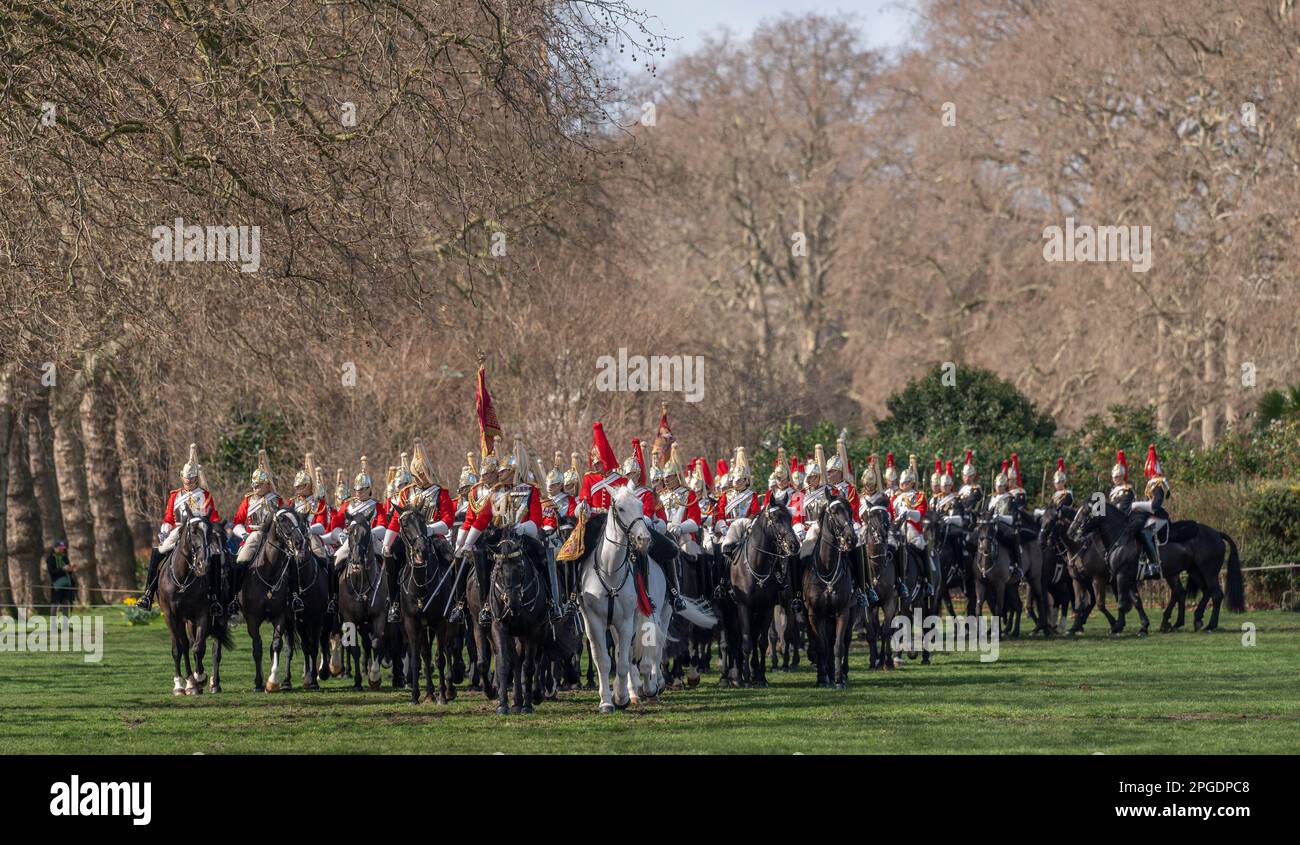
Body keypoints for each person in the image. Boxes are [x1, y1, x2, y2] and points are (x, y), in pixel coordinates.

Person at [139, 443, 222, 613]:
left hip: (199, 530)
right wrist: (164, 529)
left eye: (191, 478)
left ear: (196, 478)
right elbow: (169, 516)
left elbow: (214, 518)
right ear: (181, 477)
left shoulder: (205, 495)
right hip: (179, 529)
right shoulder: (175, 495)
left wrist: (210, 528)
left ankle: (214, 598)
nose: (188, 481)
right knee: (158, 551)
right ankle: (148, 593)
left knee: (214, 555)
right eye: (186, 478)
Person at [381, 439, 454, 622]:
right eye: (415, 475)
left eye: (421, 474)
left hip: (433, 536)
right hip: (410, 539)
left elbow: (448, 521)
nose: (418, 478)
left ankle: (455, 603)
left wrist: (429, 530)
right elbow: (397, 520)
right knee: (391, 558)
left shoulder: (440, 492)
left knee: (451, 560)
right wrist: (386, 543)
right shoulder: (406, 493)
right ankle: (394, 603)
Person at [890, 454, 933, 600]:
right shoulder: (895, 498)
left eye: (906, 483)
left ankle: (928, 581)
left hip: (912, 529)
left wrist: (908, 512)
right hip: (896, 529)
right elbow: (890, 515)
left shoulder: (919, 496)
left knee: (921, 546)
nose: (903, 485)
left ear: (912, 482)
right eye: (902, 483)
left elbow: (920, 515)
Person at [1131, 444, 1169, 580]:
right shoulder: (1150, 485)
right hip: (1151, 516)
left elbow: (1154, 506)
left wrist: (1136, 504)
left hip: (1159, 516)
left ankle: (1154, 565)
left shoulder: (1158, 485)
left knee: (1145, 532)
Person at [984, 460, 1024, 581]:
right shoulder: (990, 498)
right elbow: (983, 513)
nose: (999, 487)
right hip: (989, 527)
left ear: (1005, 485)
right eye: (997, 485)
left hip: (1004, 526)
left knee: (1013, 538)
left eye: (1001, 485)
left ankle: (1017, 565)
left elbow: (1013, 518)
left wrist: (1000, 517)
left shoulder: (1011, 499)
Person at [46, 540, 76, 628]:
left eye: (63, 548)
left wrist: (71, 568)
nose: (62, 550)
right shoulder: (50, 559)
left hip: (66, 585)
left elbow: (68, 571)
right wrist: (63, 569)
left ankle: (65, 624)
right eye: (60, 548)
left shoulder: (65, 557)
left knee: (66, 603)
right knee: (55, 605)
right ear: (55, 548)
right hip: (56, 585)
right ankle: (53, 625)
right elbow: (51, 572)